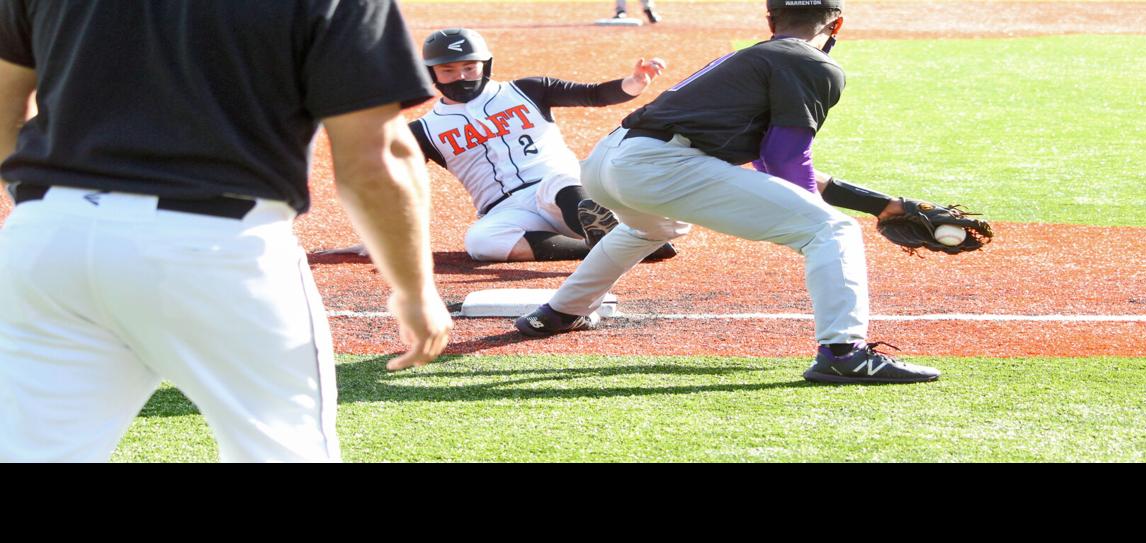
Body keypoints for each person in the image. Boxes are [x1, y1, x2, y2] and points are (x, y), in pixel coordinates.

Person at [0, 0, 451, 462]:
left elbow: (5, 103)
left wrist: (50, 214)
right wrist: (413, 289)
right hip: (218, 247)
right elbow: (377, 157)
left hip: (48, 238)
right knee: (282, 451)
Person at [515, 0, 940, 384]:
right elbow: (786, 160)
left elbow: (772, 163)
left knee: (650, 230)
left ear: (771, 19)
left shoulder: (752, 58)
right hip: (658, 166)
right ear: (838, 24)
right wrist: (809, 216)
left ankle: (559, 312)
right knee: (832, 231)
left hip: (608, 161)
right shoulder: (812, 62)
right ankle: (844, 353)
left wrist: (883, 206)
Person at [319, 28, 676, 265]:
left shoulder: (528, 90)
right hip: (506, 210)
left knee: (559, 181)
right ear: (432, 74)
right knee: (481, 242)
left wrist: (634, 82)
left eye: (469, 67)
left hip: (563, 191)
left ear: (484, 65)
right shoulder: (424, 130)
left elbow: (594, 95)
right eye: (448, 71)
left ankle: (611, 236)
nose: (461, 76)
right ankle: (610, 247)